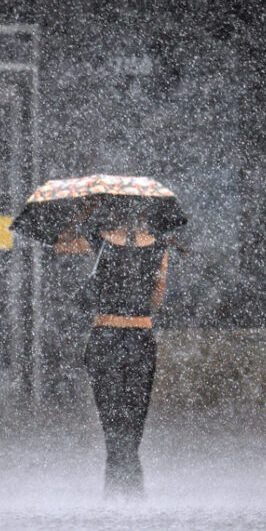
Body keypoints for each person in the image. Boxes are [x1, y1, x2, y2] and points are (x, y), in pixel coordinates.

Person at [56, 211, 169, 498]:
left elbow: (60, 245)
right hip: (140, 337)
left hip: (105, 336)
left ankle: (116, 491)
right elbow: (156, 298)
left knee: (112, 421)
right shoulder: (159, 245)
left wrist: (77, 214)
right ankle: (132, 490)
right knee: (134, 419)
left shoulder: (99, 241)